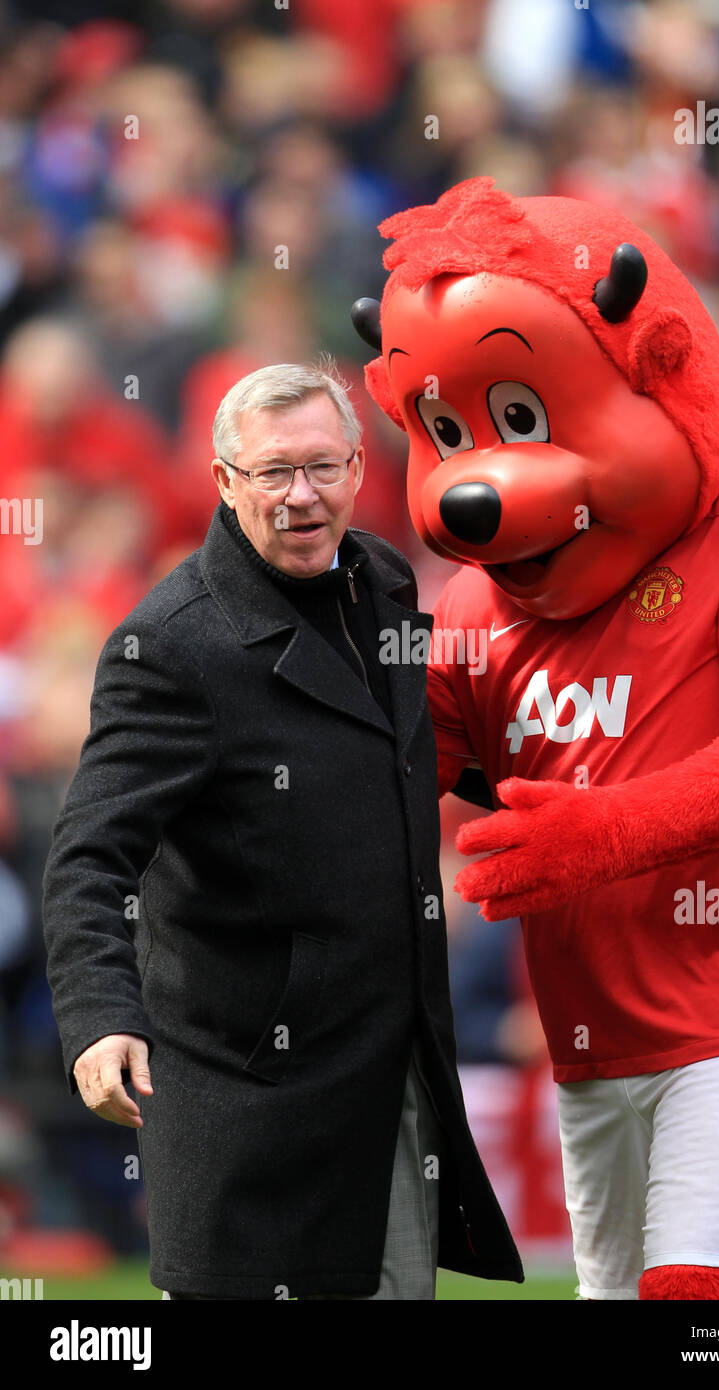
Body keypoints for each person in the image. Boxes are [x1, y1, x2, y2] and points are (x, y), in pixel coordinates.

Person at [41, 359, 522, 1300]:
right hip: (248, 1104)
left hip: (390, 1076)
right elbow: (90, 859)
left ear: (357, 468)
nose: (301, 496)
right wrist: (100, 1020)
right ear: (224, 483)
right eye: (271, 473)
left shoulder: (382, 580)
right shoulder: (171, 646)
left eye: (323, 467)